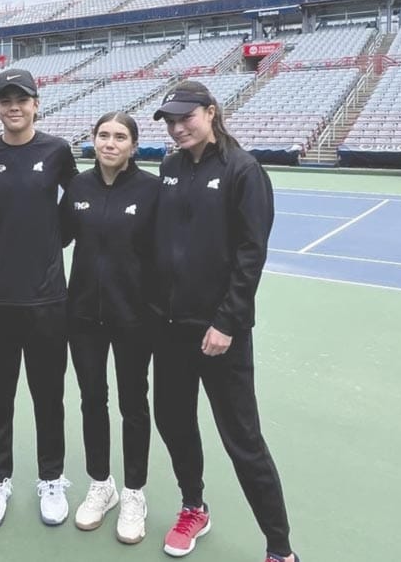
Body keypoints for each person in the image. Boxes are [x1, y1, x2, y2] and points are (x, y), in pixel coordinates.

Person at [149, 80, 300, 562]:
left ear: (211, 113)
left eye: (185, 118)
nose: (177, 129)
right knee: (173, 421)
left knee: (243, 440)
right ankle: (194, 507)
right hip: (168, 328)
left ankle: (280, 549)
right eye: (170, 122)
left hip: (220, 333)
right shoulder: (170, 166)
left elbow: (251, 254)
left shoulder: (243, 170)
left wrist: (228, 323)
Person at [0, 69, 78, 528]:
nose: (14, 107)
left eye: (22, 99)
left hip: (47, 300)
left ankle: (51, 478)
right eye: (6, 100)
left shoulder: (57, 152)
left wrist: (48, 252)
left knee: (48, 394)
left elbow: (77, 210)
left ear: (37, 103)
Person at [60, 111, 159, 544]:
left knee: (134, 404)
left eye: (120, 137)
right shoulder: (78, 187)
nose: (110, 143)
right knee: (91, 400)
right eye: (104, 135)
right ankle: (101, 484)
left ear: (133, 146)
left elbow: (166, 254)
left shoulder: (152, 190)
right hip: (82, 316)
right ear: (94, 141)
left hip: (134, 318)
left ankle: (135, 492)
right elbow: (55, 238)